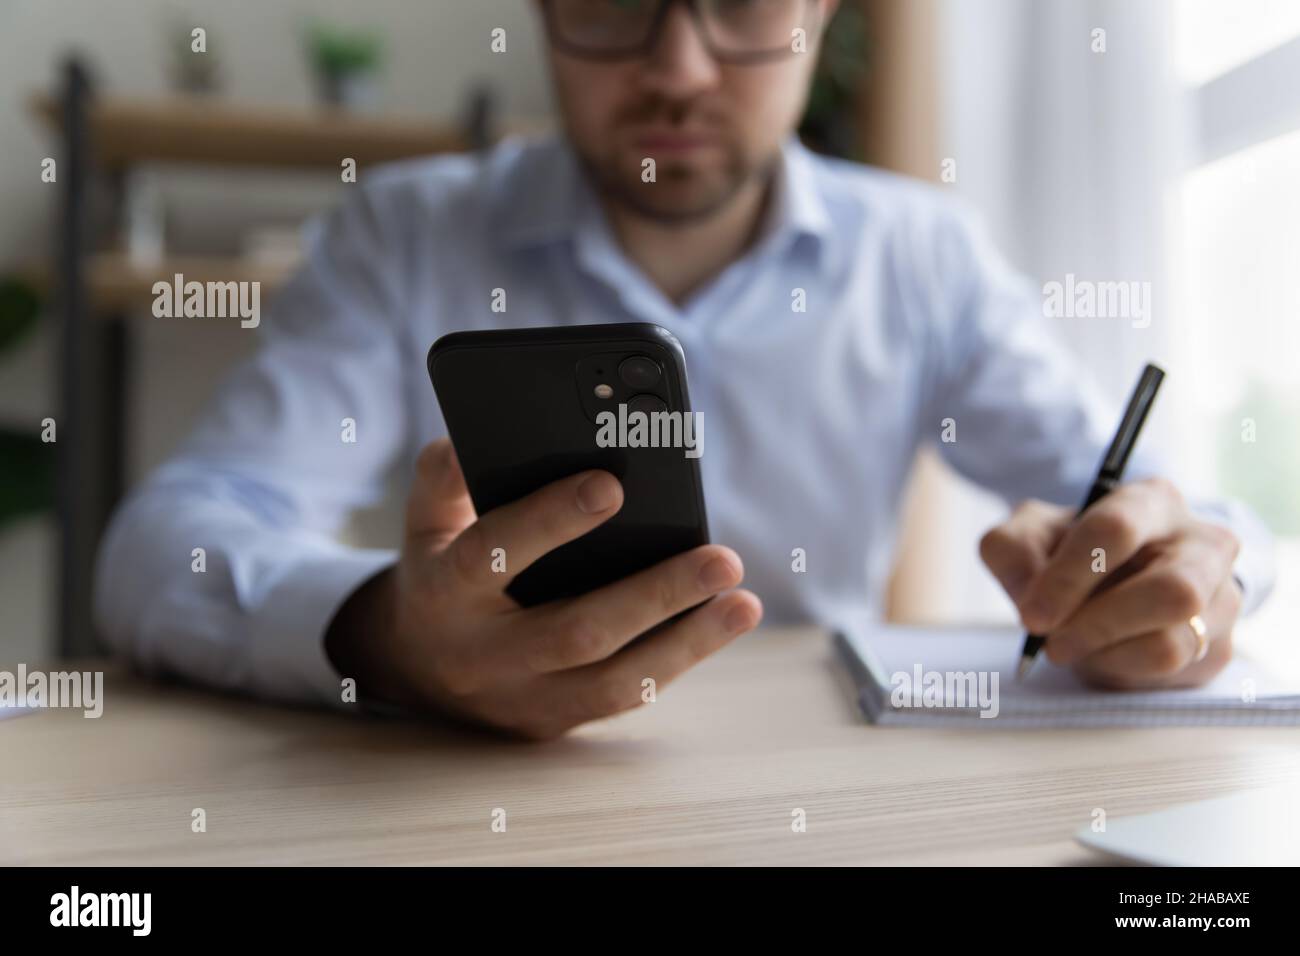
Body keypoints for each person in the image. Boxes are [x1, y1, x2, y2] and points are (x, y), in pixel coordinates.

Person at [95, 0, 1272, 739]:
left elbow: (1159, 505)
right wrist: (386, 636)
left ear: (817, 16)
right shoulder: (402, 236)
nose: (682, 65)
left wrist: (1183, 573)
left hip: (824, 788)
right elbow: (167, 542)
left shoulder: (920, 253)